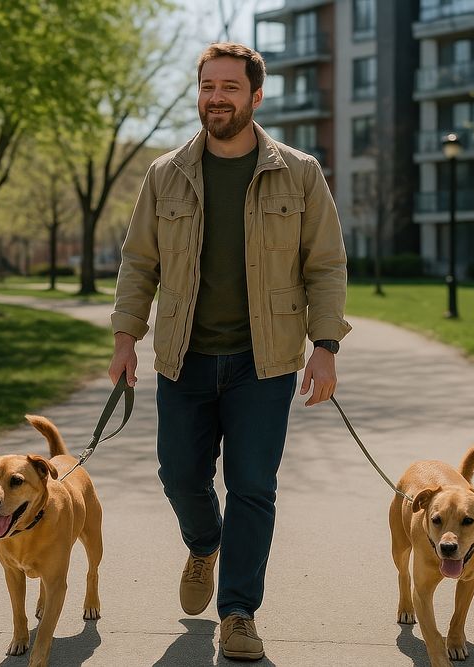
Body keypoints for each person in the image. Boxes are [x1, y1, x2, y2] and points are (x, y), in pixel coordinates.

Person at [108, 42, 351, 662]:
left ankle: (239, 613)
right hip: (183, 358)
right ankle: (203, 542)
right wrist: (124, 340)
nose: (216, 98)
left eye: (230, 88)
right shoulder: (166, 174)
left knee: (252, 487)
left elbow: (324, 265)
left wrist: (324, 347)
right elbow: (139, 264)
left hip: (263, 363)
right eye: (208, 86)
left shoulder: (298, 173)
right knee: (179, 474)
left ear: (256, 96)